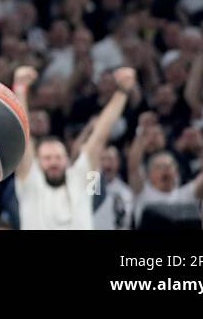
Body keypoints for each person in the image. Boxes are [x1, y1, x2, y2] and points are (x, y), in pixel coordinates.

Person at [13, 64, 137, 230]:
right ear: (38, 162)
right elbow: (22, 136)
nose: (53, 163)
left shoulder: (80, 179)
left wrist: (122, 93)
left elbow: (100, 136)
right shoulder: (30, 182)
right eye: (47, 158)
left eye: (58, 157)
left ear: (67, 160)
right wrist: (20, 89)